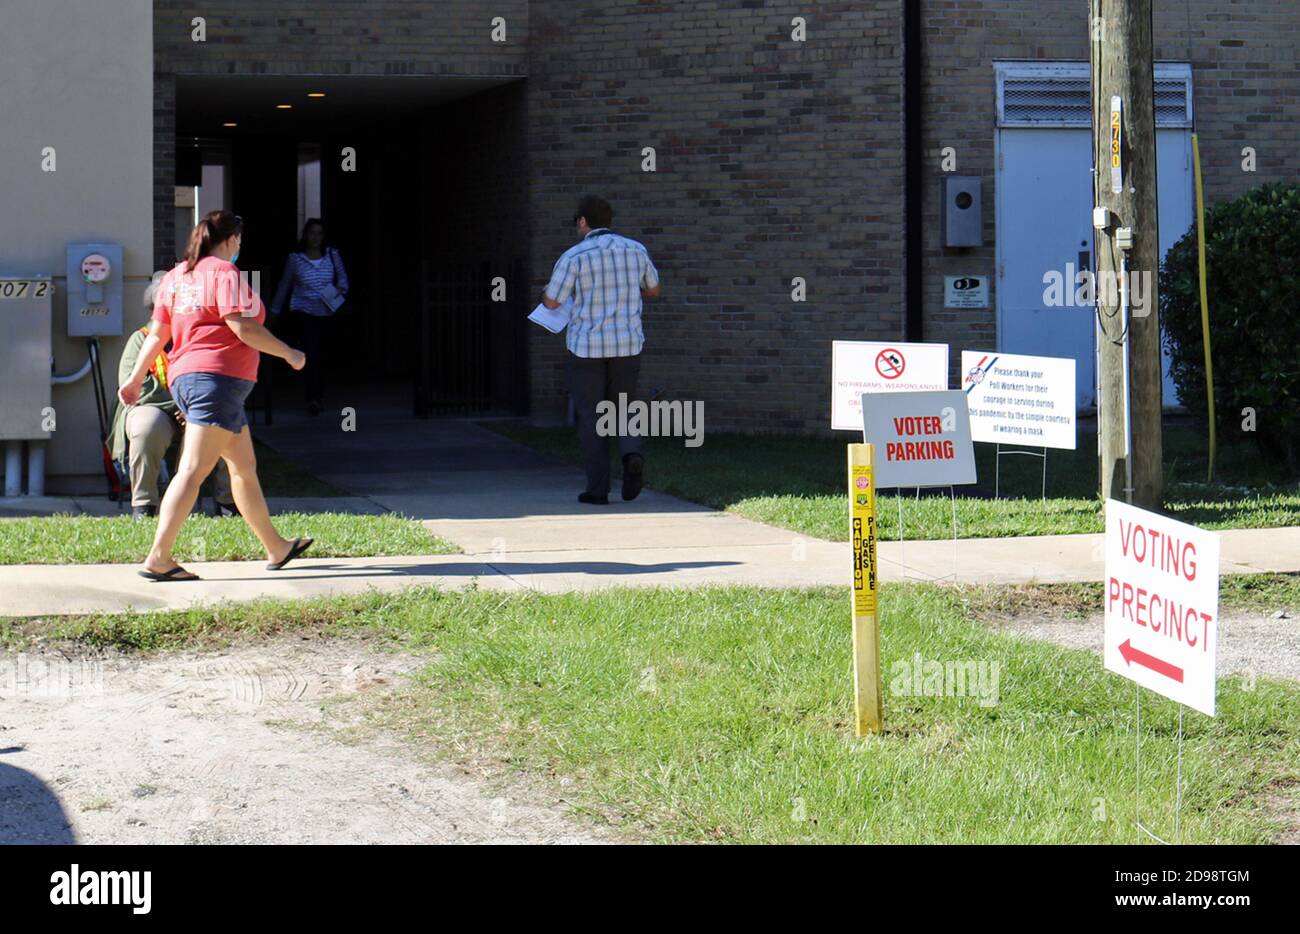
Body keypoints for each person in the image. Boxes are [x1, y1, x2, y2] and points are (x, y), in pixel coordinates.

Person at [118, 210, 313, 581]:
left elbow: (158, 334)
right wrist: (289, 353)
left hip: (190, 380)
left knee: (243, 468)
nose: (239, 247)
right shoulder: (224, 274)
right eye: (238, 240)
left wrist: (134, 378)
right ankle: (158, 557)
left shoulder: (176, 278)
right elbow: (244, 329)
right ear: (229, 240)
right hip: (216, 382)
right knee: (192, 470)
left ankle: (276, 546)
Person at [541, 195, 661, 505]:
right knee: (625, 408)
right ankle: (632, 454)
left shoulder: (574, 257)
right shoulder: (635, 250)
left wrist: (548, 296)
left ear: (583, 222)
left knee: (592, 417)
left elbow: (553, 302)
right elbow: (653, 289)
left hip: (586, 349)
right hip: (627, 345)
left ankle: (597, 490)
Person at [107, 324, 238, 518]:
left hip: (195, 407)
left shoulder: (201, 336)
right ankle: (144, 505)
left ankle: (226, 505)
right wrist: (180, 407)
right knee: (147, 428)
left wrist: (195, 409)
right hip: (155, 407)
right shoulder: (140, 339)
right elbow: (138, 388)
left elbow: (217, 375)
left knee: (223, 423)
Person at [269, 218, 349, 415]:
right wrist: (274, 311)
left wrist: (336, 293)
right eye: (312, 233)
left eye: (319, 233)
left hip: (328, 312)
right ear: (305, 235)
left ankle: (320, 394)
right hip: (304, 312)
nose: (315, 238)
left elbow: (344, 282)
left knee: (324, 356)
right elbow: (285, 285)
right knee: (310, 355)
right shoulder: (296, 259)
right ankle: (312, 398)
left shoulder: (332, 255)